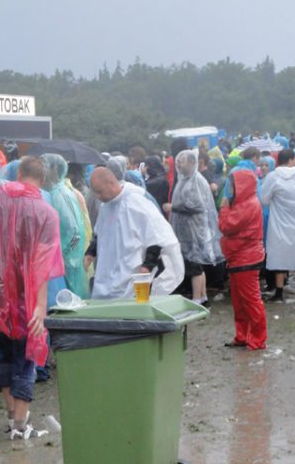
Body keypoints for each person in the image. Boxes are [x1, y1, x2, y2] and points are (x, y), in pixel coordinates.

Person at [0, 157, 63, 440]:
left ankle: (13, 417)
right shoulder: (46, 212)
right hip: (25, 297)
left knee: (5, 356)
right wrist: (40, 306)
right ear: (43, 180)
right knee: (26, 359)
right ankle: (20, 424)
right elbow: (42, 266)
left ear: (18, 174)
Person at [85, 167, 183, 300]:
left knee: (130, 306)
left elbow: (157, 236)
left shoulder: (136, 201)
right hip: (108, 272)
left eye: (99, 192)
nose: (98, 196)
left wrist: (148, 265)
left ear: (111, 183)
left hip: (133, 272)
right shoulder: (106, 206)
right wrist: (91, 252)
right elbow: (100, 232)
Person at [219, 165, 267, 350]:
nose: (230, 189)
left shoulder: (248, 205)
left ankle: (257, 339)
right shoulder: (245, 203)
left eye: (233, 185)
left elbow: (226, 226)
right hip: (240, 257)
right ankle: (243, 336)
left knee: (250, 301)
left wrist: (224, 208)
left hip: (245, 258)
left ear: (241, 186)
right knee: (240, 302)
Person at [261, 148, 295, 301]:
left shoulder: (272, 176)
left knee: (279, 254)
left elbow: (264, 198)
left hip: (280, 221)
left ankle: (279, 292)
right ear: (292, 159)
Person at [166, 150, 216, 305]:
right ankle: (203, 297)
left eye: (181, 161)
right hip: (187, 230)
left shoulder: (196, 180)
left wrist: (174, 207)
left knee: (194, 266)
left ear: (192, 162)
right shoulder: (185, 179)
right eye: (178, 161)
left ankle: (196, 299)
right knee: (196, 264)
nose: (178, 164)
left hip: (194, 230)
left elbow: (197, 205)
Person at [41, 154, 89, 298]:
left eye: (44, 167)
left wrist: (65, 255)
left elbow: (76, 233)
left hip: (68, 264)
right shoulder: (54, 193)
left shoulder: (60, 195)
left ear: (54, 170)